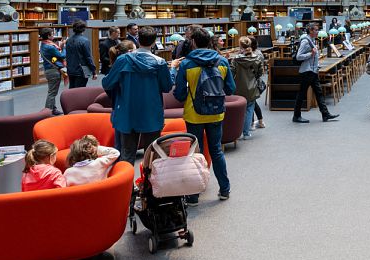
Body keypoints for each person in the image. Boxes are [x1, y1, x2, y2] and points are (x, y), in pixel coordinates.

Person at [173, 29, 236, 201]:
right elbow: (231, 89)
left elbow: (179, 93)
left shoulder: (187, 64)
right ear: (209, 41)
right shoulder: (222, 61)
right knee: (216, 151)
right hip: (216, 113)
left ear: (193, 42)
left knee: (195, 153)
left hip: (194, 114)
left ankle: (193, 196)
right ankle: (224, 190)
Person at [104, 28, 173, 165]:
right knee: (152, 155)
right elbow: (167, 87)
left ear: (138, 40)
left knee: (127, 154)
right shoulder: (160, 63)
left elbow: (107, 83)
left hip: (127, 113)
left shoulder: (123, 60)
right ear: (154, 43)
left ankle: (127, 186)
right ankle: (149, 186)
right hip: (151, 114)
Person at [292, 23, 339, 123]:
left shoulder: (312, 40)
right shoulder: (305, 41)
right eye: (316, 30)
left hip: (312, 71)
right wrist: (311, 54)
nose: (318, 32)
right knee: (301, 94)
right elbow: (298, 56)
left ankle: (325, 114)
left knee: (319, 93)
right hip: (306, 72)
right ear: (311, 31)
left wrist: (316, 65)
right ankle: (296, 116)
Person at [231, 35, 264, 140]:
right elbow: (260, 73)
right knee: (249, 109)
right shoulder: (257, 58)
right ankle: (246, 133)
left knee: (239, 110)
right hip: (252, 88)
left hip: (238, 87)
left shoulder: (235, 60)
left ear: (240, 46)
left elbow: (231, 73)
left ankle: (236, 132)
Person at [39, 27, 67, 115]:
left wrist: (60, 46)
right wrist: (64, 47)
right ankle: (47, 112)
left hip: (49, 70)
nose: (53, 35)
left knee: (52, 91)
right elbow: (61, 55)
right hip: (53, 71)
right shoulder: (50, 47)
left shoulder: (43, 44)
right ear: (48, 36)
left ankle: (53, 109)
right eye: (52, 34)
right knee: (52, 93)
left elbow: (55, 55)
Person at [64, 20, 95, 89]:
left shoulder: (68, 41)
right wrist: (93, 70)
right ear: (84, 29)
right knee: (80, 91)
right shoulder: (85, 41)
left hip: (70, 69)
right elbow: (88, 57)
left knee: (72, 90)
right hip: (81, 70)